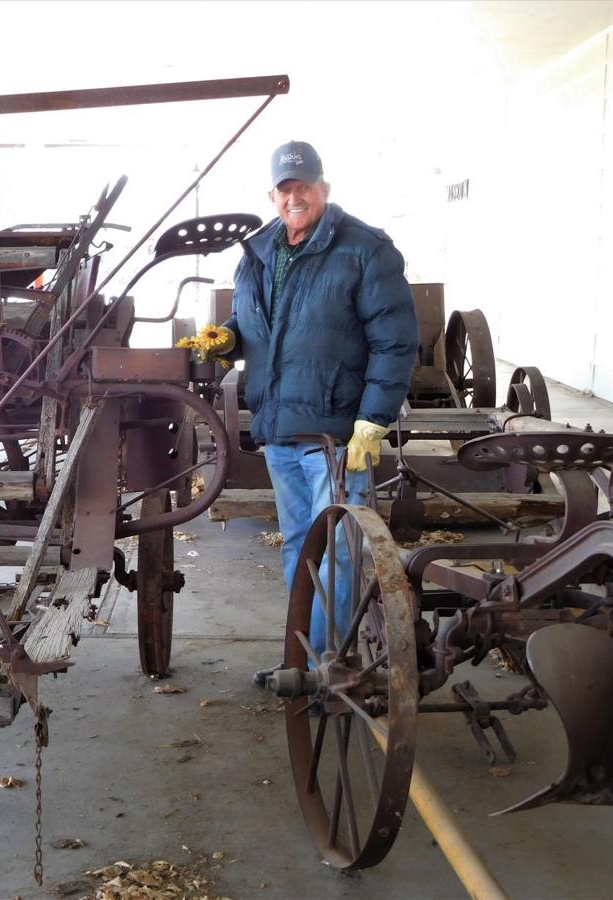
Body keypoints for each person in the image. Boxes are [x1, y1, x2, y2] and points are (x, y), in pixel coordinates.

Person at [207, 140, 418, 680]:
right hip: (278, 430)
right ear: (272, 195)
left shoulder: (366, 250)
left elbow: (395, 341)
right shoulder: (257, 253)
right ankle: (303, 655)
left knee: (342, 551)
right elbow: (254, 330)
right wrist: (224, 340)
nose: (294, 196)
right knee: (300, 548)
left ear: (324, 187)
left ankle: (331, 661)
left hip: (338, 437)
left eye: (304, 186)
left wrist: (374, 417)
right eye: (285, 188)